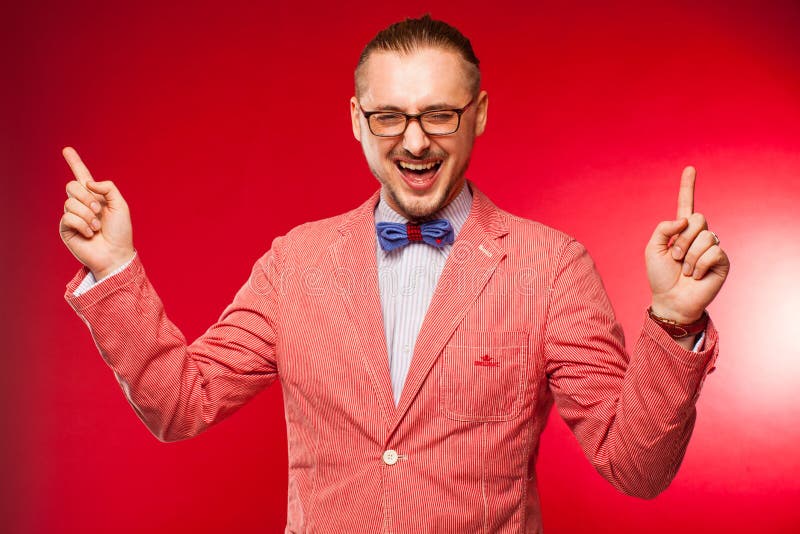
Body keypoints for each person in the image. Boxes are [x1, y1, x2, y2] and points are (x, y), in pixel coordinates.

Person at [59, 15, 729, 533]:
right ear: (356, 119)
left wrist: (675, 319)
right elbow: (180, 403)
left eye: (439, 114)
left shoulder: (549, 266)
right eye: (389, 116)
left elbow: (636, 467)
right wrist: (115, 268)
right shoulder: (296, 262)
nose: (414, 141)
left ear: (481, 114)